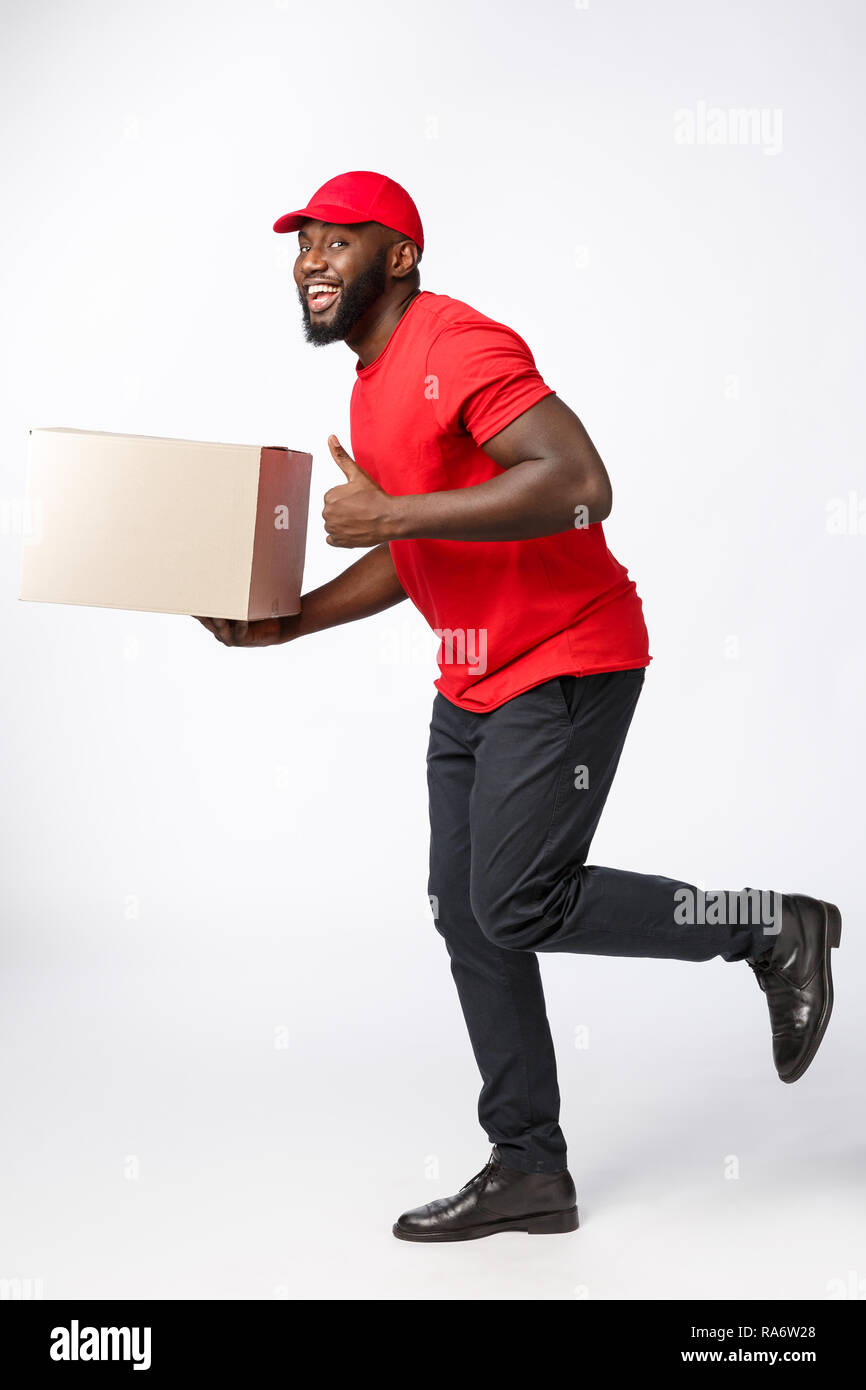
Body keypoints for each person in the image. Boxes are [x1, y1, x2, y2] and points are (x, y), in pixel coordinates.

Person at [195, 170, 841, 1243]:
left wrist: (394, 507)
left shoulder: (461, 345)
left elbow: (578, 479)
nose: (310, 258)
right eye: (300, 242)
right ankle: (528, 1166)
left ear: (397, 256)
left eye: (337, 239)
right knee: (468, 914)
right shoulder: (369, 386)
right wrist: (292, 619)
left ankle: (767, 927)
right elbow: (423, 546)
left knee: (518, 900)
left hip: (566, 658)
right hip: (471, 678)